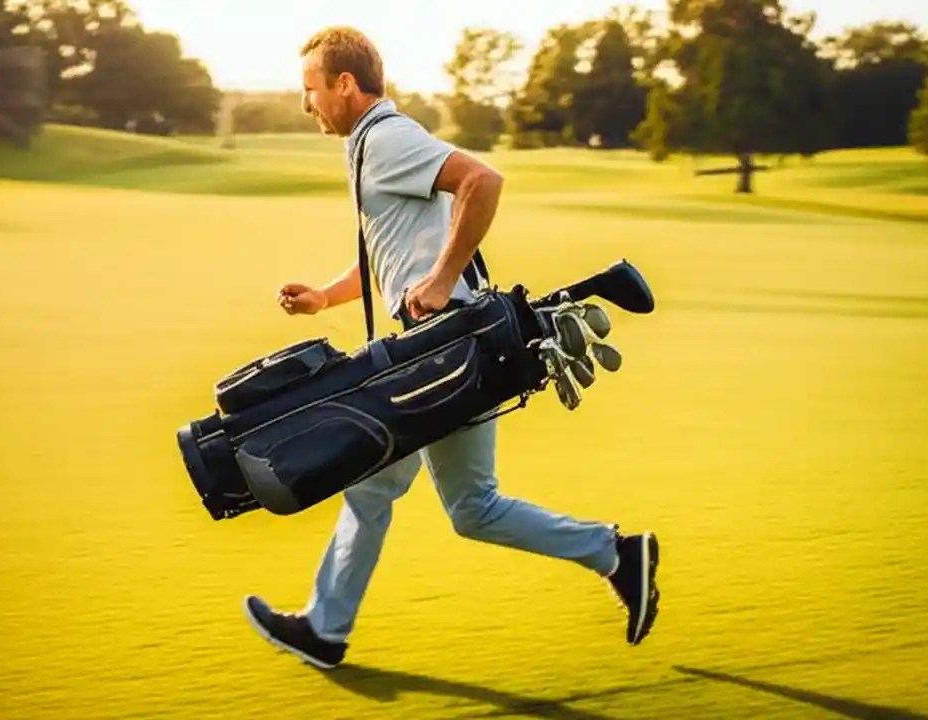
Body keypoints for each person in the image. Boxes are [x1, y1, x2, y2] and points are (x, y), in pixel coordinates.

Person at [242, 25, 660, 670]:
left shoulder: (385, 138)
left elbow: (482, 181)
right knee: (461, 505)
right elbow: (395, 253)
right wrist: (326, 298)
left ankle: (325, 631)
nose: (307, 105)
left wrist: (440, 282)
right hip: (444, 349)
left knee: (395, 489)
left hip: (442, 351)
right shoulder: (369, 146)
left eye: (311, 90)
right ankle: (615, 555)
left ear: (344, 84)